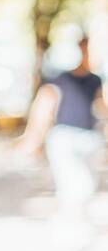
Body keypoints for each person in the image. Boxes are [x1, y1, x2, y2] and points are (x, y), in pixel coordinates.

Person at [19, 36, 105, 210]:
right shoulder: (61, 79)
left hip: (87, 139)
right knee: (73, 188)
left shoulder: (95, 80)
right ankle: (69, 226)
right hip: (64, 138)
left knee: (85, 187)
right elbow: (44, 107)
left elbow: (103, 108)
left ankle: (73, 223)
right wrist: (33, 138)